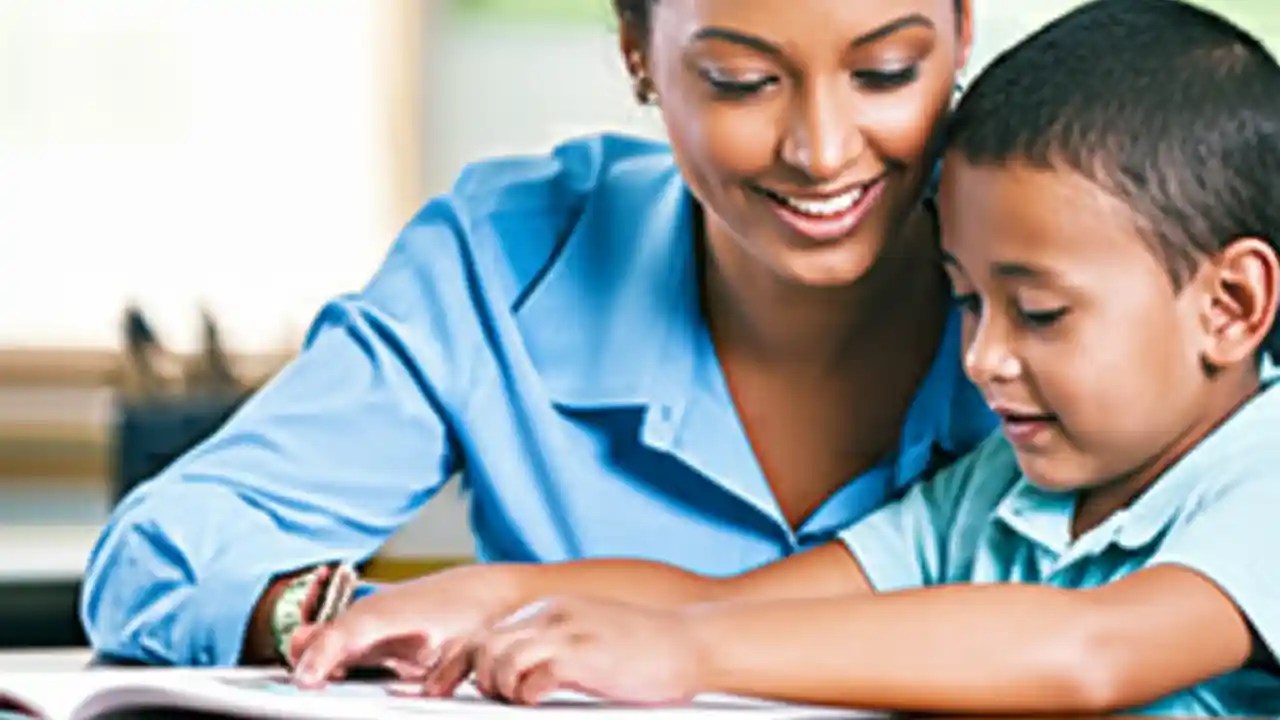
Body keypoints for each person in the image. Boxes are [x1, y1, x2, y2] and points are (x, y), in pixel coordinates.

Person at [291, 0, 1280, 715]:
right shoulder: (987, 494)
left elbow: (1089, 653)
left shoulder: (1262, 478)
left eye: (1038, 313)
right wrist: (501, 599)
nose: (979, 358)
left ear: (1229, 306)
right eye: (968, 301)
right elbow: (735, 601)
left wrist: (683, 651)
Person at [80, 0, 993, 667]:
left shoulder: (1094, 262)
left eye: (885, 73)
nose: (823, 150)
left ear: (962, 29)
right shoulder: (503, 254)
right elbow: (161, 553)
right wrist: (345, 624)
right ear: (638, 52)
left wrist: (514, 601)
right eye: (742, 83)